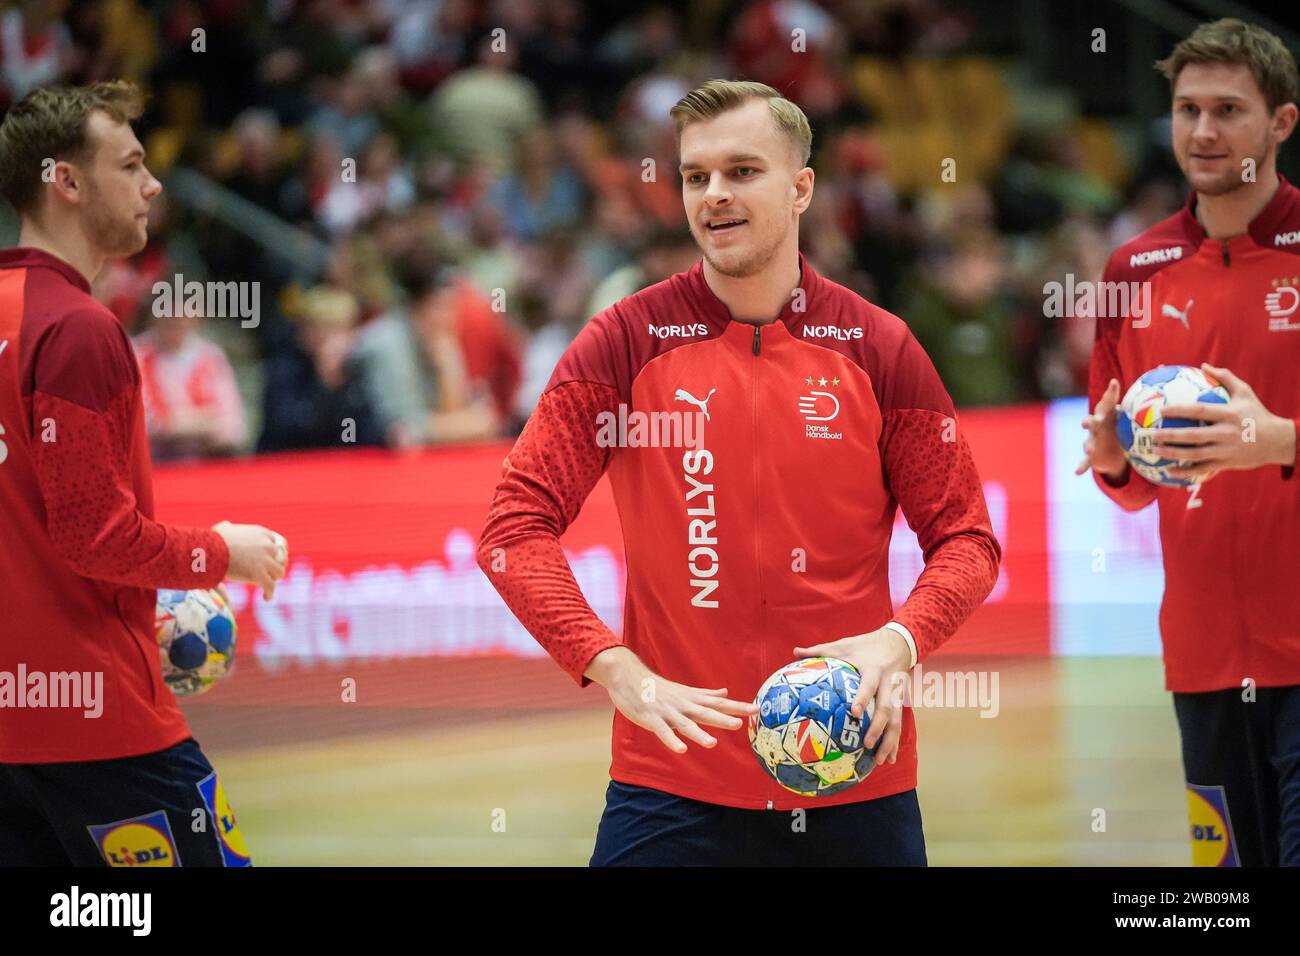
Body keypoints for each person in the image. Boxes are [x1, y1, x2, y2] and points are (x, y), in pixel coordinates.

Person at [478, 79, 1001, 866]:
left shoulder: (879, 347)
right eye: (696, 177)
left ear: (801, 190)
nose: (714, 196)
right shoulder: (624, 341)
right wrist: (607, 662)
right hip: (669, 787)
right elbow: (513, 527)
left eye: (742, 171)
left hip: (853, 776)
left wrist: (902, 640)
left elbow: (966, 537)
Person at [0, 81, 287, 866]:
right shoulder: (78, 329)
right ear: (66, 181)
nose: (153, 185)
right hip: (98, 720)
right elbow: (97, 538)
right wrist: (222, 551)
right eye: (130, 165)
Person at [1078, 19, 1300, 866]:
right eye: (1186, 109)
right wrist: (1113, 464)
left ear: (1282, 122)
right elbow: (1138, 483)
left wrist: (1280, 439)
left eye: (1228, 110)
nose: (1203, 132)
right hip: (1205, 654)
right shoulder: (1134, 270)